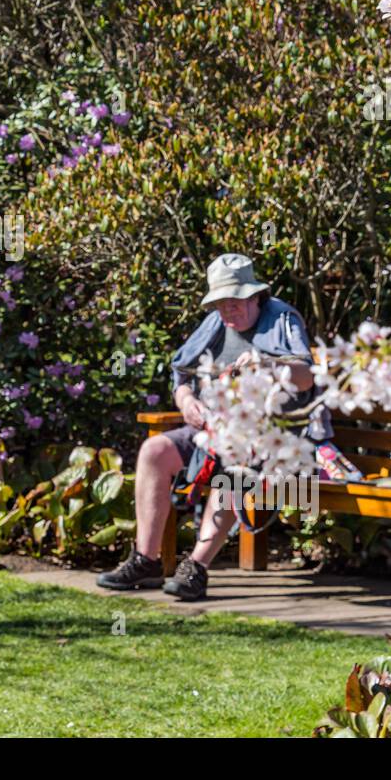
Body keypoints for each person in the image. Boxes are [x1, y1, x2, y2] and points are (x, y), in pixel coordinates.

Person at [96, 253, 330, 600]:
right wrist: (186, 402)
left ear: (255, 296)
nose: (227, 312)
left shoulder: (281, 319)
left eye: (234, 303)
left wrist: (269, 364)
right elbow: (182, 377)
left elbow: (307, 376)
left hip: (271, 440)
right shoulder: (215, 325)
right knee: (154, 451)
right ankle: (146, 559)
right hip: (211, 429)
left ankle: (196, 567)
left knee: (230, 467)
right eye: (220, 304)